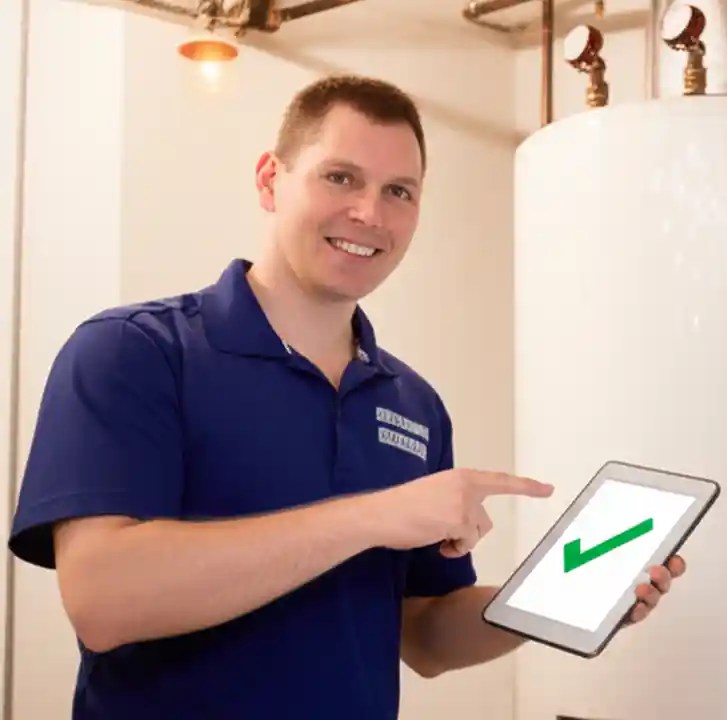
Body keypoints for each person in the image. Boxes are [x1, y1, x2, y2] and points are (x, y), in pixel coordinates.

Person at [7, 74, 686, 719]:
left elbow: (424, 635)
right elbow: (105, 601)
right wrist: (374, 516)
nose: (370, 213)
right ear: (270, 180)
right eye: (340, 178)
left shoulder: (413, 404)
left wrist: (557, 600)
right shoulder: (135, 351)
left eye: (399, 191)